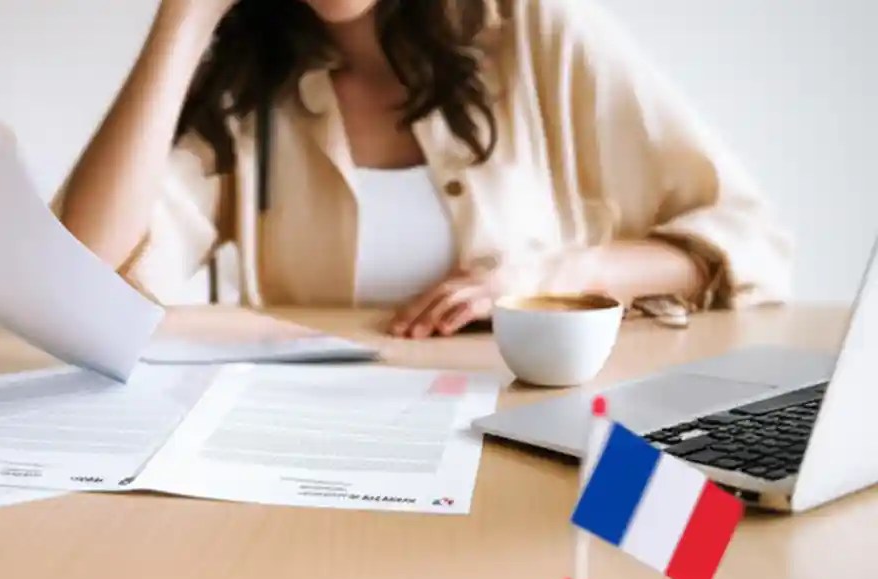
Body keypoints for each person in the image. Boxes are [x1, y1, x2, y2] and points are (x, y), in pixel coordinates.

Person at [54, 0, 792, 338]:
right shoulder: (252, 90)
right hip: (317, 455)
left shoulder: (534, 27)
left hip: (528, 441)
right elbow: (75, 277)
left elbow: (750, 240)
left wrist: (549, 276)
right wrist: (183, 20)